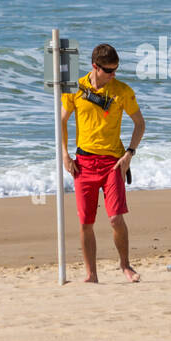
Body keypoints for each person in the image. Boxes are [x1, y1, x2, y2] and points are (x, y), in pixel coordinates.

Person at [60, 44, 145, 283]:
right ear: (95, 67)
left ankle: (125, 265)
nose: (113, 75)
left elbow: (140, 123)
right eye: (108, 70)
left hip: (113, 164)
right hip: (84, 163)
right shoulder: (75, 89)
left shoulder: (122, 91)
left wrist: (129, 153)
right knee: (86, 221)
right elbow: (62, 121)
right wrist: (65, 155)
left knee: (115, 218)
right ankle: (91, 274)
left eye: (116, 70)